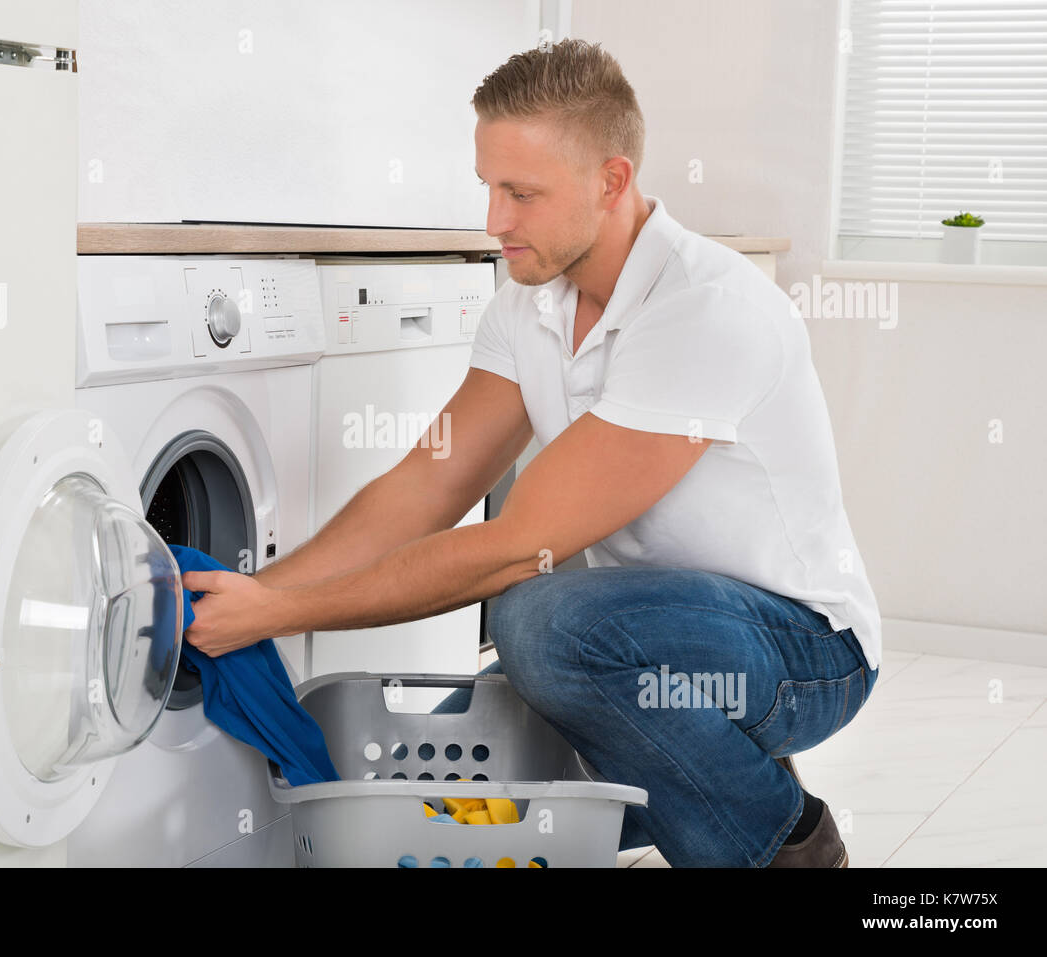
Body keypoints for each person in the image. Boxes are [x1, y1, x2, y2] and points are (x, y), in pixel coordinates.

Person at [179, 38, 882, 868]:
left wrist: (281, 615)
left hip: (809, 649)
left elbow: (520, 544)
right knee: (557, 675)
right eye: (488, 187)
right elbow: (425, 484)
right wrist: (257, 591)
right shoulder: (529, 308)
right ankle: (715, 779)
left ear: (612, 181)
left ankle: (790, 842)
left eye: (522, 193)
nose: (494, 222)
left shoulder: (705, 309)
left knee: (546, 623)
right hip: (672, 630)